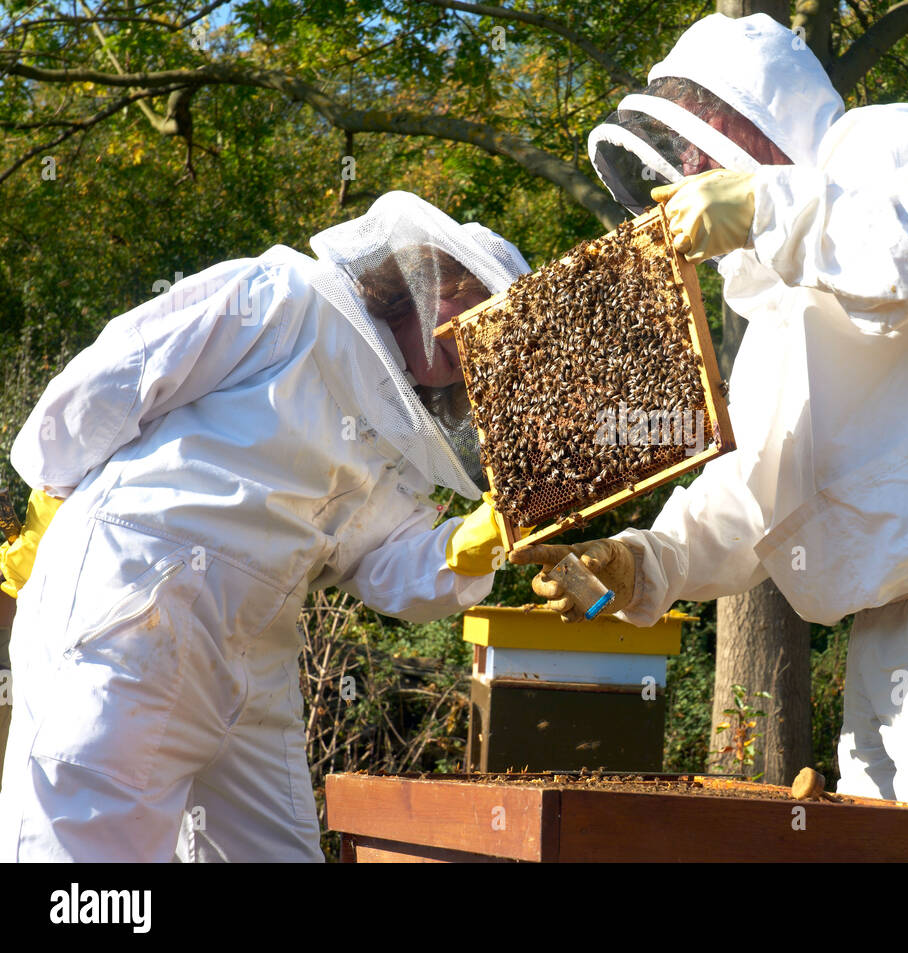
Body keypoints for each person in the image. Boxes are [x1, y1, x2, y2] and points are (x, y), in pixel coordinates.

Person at [515, 13, 908, 863]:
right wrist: (642, 560)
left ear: (751, 112)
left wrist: (770, 204)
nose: (688, 171)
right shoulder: (777, 313)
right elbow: (754, 493)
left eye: (698, 138)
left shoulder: (881, 142)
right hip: (890, 625)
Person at [0, 191, 526, 861]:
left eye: (494, 333)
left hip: (256, 645)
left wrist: (473, 541)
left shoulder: (407, 448)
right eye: (469, 304)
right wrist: (58, 505)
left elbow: (384, 567)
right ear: (421, 277)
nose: (473, 334)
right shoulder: (284, 297)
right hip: (133, 596)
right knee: (86, 861)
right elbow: (116, 378)